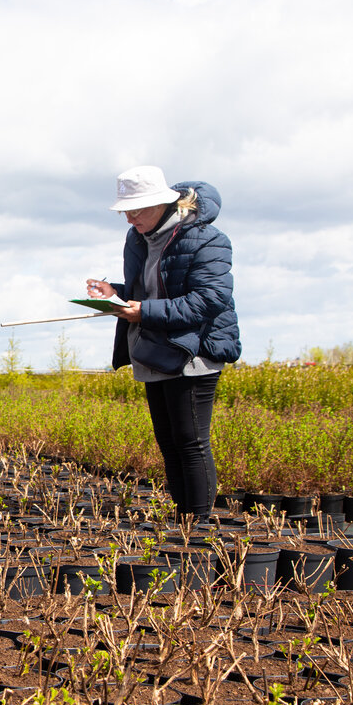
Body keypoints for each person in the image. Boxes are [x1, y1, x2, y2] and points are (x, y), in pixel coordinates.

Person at [85, 165, 241, 519]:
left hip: (192, 352)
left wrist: (145, 312)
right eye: (125, 211)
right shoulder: (139, 239)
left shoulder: (205, 238)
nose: (129, 219)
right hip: (154, 351)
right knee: (169, 445)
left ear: (162, 203)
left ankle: (197, 527)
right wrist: (117, 296)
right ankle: (182, 519)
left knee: (191, 443)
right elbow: (148, 294)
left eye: (136, 210)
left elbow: (210, 299)